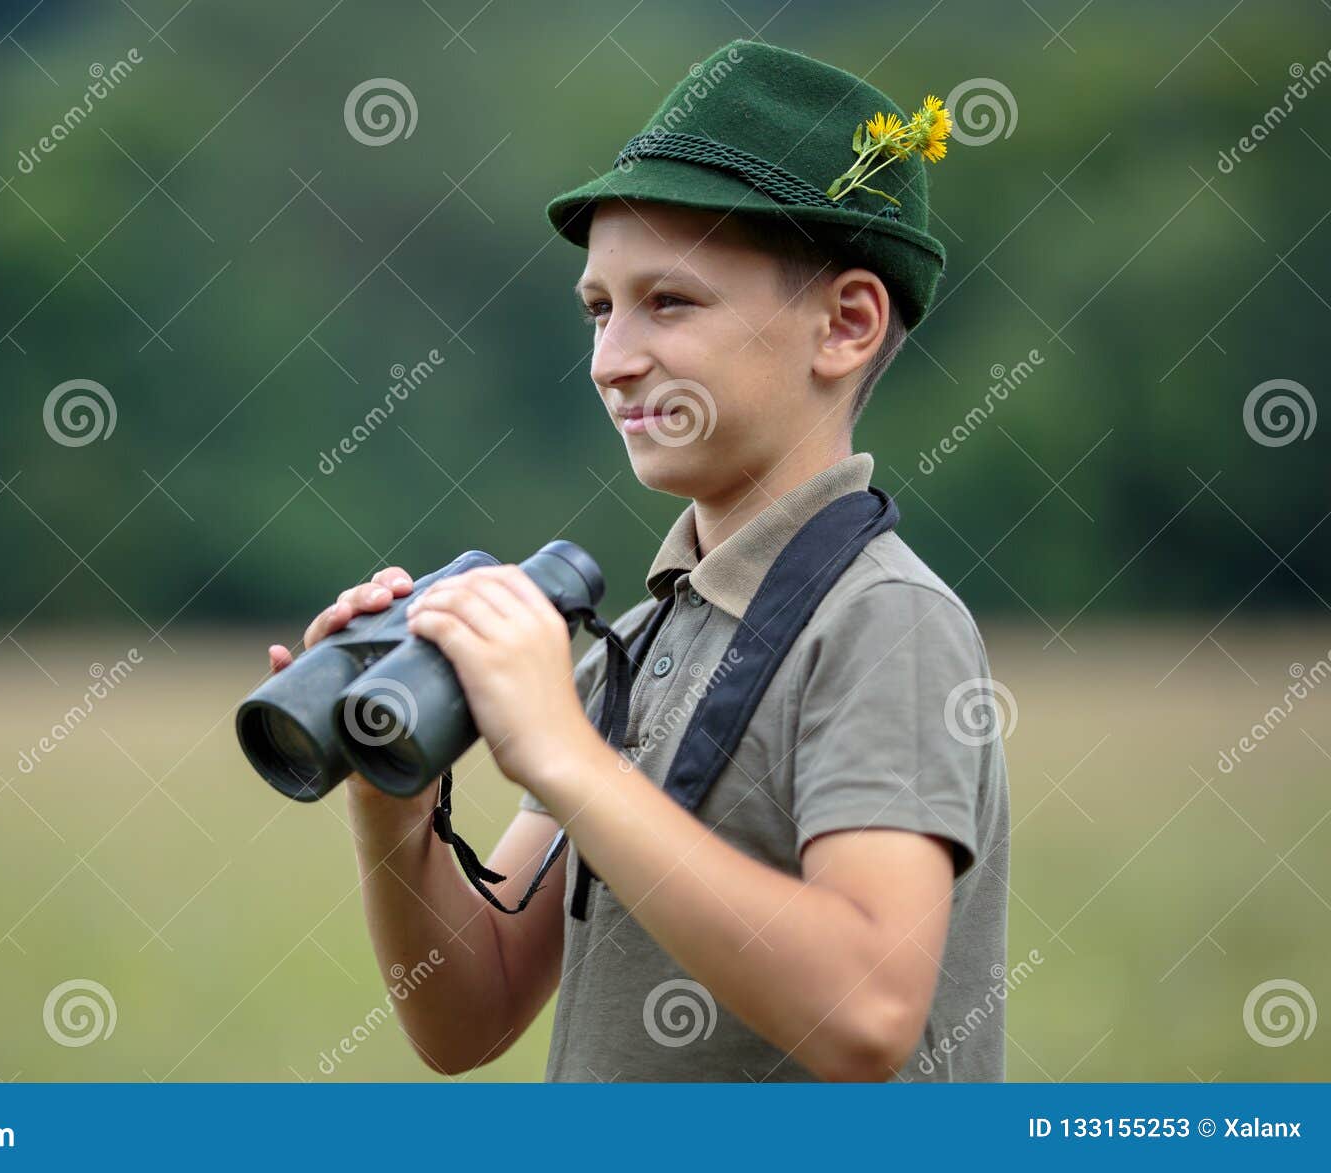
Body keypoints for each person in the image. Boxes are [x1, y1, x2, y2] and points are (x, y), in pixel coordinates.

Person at [268, 40, 1009, 1082]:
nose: (611, 361)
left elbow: (869, 1009)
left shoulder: (881, 622)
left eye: (670, 302)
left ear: (844, 325)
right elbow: (466, 1015)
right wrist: (391, 778)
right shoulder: (644, 642)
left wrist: (563, 756)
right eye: (598, 309)